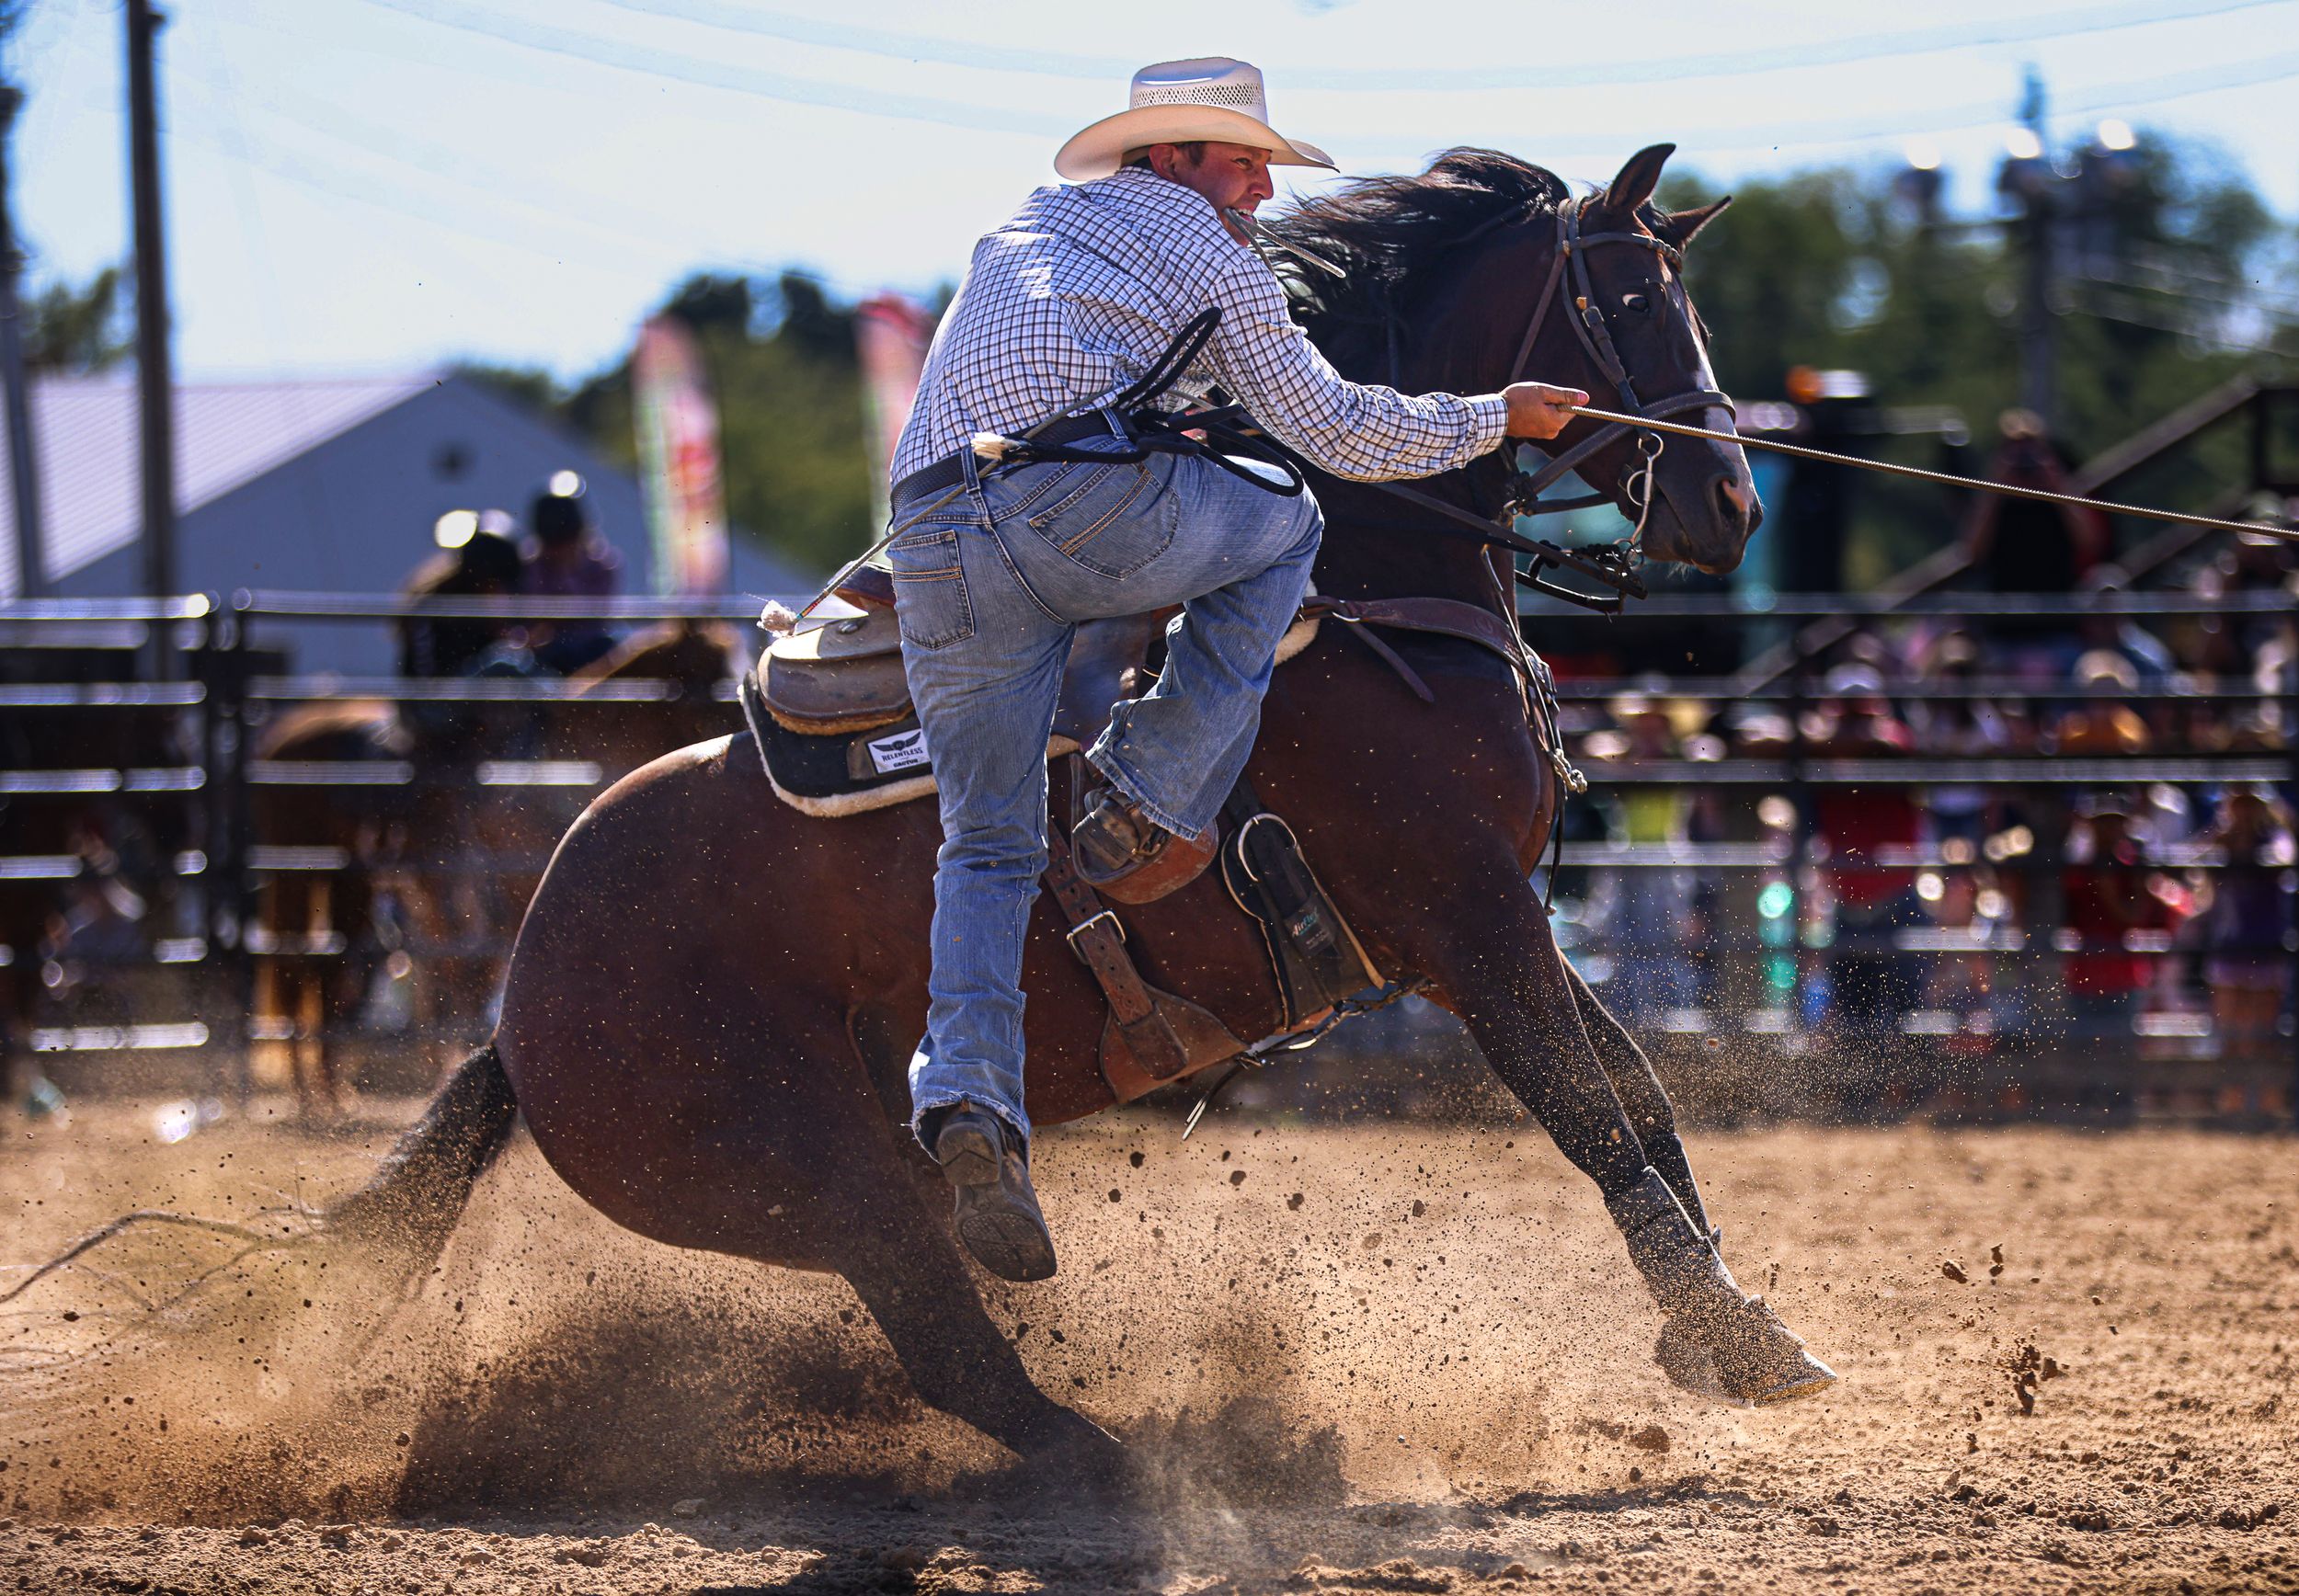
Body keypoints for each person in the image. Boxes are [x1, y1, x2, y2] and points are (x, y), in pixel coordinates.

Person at [887, 56, 1586, 1280]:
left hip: (934, 537)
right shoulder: (1210, 253)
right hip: (1070, 511)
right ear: (1171, 159)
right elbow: (1337, 433)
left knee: (985, 842)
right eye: (1242, 161)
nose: (1262, 191)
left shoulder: (1025, 228)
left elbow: (1092, 377)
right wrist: (1497, 417)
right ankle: (1148, 795)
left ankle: (970, 1105)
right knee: (1287, 514)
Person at [522, 476, 623, 675]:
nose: (559, 548)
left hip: (592, 648)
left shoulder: (603, 565)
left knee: (618, 648)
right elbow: (535, 618)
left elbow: (590, 615)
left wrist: (566, 572)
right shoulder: (531, 565)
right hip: (548, 652)